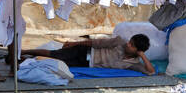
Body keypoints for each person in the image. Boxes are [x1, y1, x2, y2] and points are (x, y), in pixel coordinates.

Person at [21, 33, 155, 75]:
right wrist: (74, 43)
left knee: (56, 63)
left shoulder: (133, 64)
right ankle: (25, 51)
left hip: (85, 64)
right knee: (54, 54)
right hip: (84, 51)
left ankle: (26, 60)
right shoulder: (119, 42)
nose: (128, 44)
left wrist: (142, 56)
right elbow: (96, 43)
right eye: (130, 42)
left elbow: (151, 72)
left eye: (131, 45)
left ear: (137, 51)